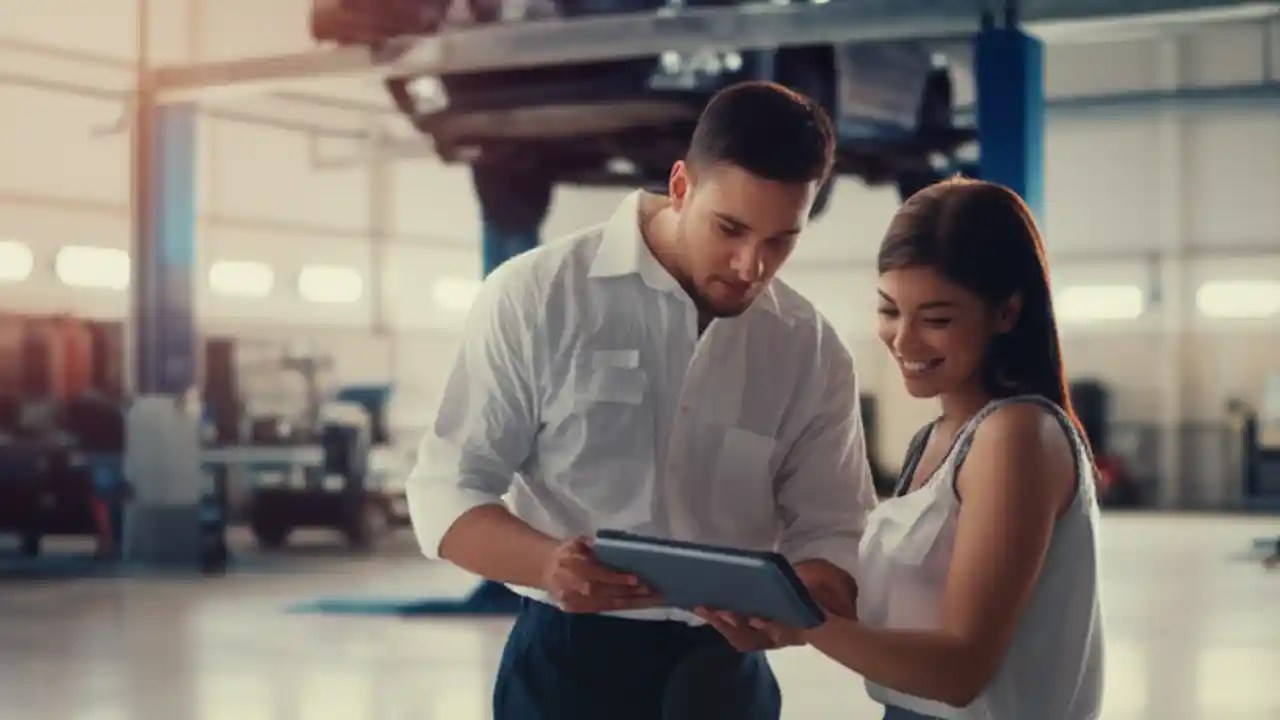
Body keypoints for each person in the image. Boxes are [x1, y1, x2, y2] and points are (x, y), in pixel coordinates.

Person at [406, 81, 880, 720]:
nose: (750, 265)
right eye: (730, 228)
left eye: (780, 240)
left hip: (726, 676)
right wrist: (547, 563)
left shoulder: (810, 348)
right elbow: (447, 490)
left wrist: (808, 600)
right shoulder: (538, 296)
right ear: (681, 185)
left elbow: (836, 525)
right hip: (566, 669)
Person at [700, 177, 1106, 719]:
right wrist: (815, 597)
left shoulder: (1017, 437)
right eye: (890, 310)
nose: (904, 340)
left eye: (937, 319)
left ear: (1007, 312)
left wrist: (811, 626)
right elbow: (920, 611)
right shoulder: (937, 439)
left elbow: (960, 671)